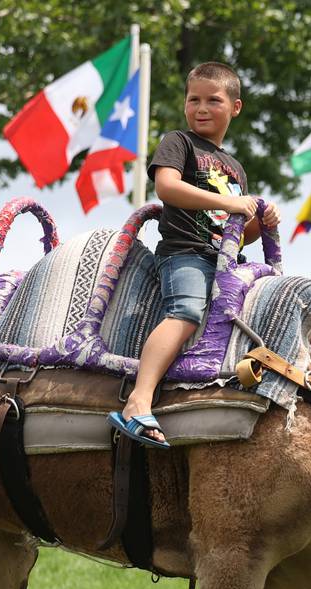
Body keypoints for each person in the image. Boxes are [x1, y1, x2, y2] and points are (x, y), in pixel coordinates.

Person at [108, 61, 280, 448]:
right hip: (185, 253)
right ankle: (139, 398)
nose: (201, 108)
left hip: (224, 261)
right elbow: (167, 188)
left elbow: (238, 234)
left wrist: (262, 218)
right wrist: (231, 202)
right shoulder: (179, 143)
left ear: (235, 107)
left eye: (213, 100)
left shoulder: (235, 168)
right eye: (193, 99)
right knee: (185, 311)